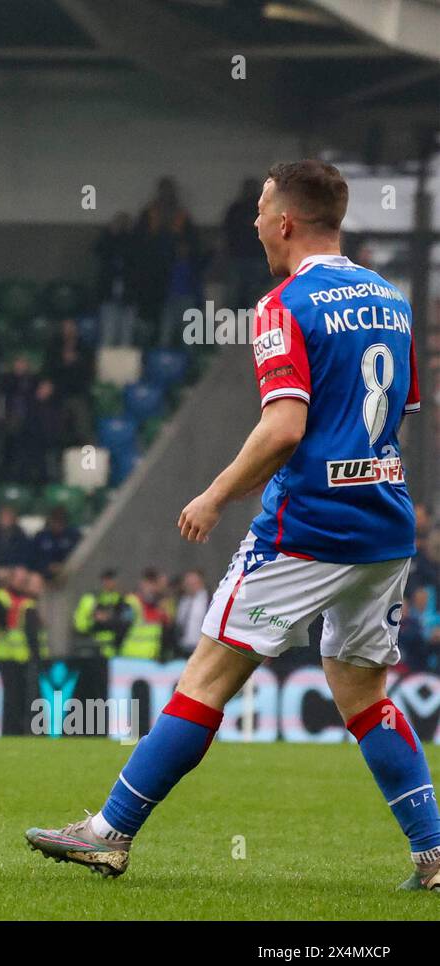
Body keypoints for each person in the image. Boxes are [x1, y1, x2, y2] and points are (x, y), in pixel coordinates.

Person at [28, 159, 440, 892]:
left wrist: (216, 494)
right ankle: (434, 852)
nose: (253, 221)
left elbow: (285, 426)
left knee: (205, 680)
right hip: (383, 528)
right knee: (365, 698)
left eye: (259, 208)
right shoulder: (393, 301)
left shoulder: (285, 305)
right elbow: (397, 418)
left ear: (284, 222)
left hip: (306, 529)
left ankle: (109, 832)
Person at [72, 569, 133, 658]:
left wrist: (107, 619)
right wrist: (94, 620)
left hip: (115, 649)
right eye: (107, 580)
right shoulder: (91, 599)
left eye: (112, 580)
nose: (109, 583)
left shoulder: (122, 599)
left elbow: (126, 622)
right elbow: (80, 624)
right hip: (93, 647)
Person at [172, 569, 209, 659]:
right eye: (187, 584)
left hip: (200, 648)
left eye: (193, 583)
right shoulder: (182, 601)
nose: (190, 587)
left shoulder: (208, 600)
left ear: (201, 583)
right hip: (182, 649)